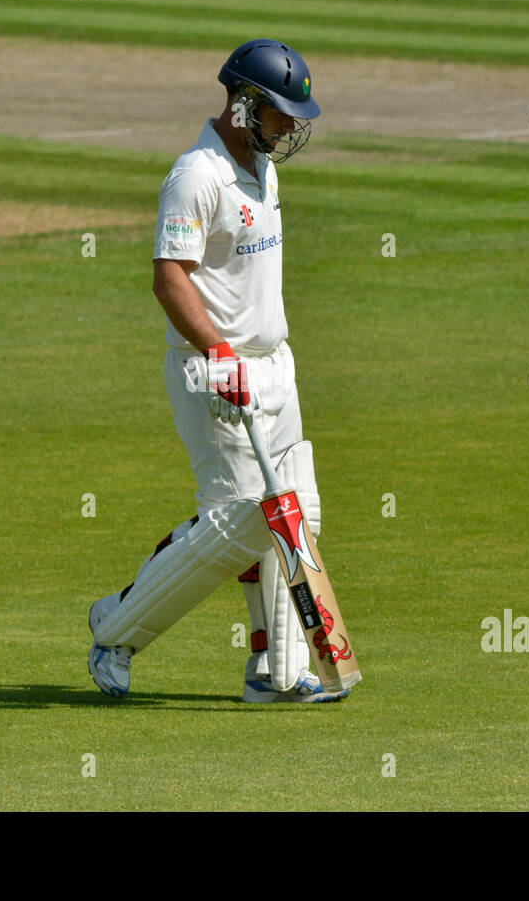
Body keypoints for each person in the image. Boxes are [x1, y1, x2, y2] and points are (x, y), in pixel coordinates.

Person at [87, 38, 347, 703]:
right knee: (241, 521)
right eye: (281, 114)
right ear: (243, 105)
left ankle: (276, 672)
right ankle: (116, 630)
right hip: (215, 374)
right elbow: (169, 279)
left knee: (294, 510)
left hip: (274, 368)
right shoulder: (196, 175)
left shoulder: (261, 164)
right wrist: (218, 351)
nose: (291, 127)